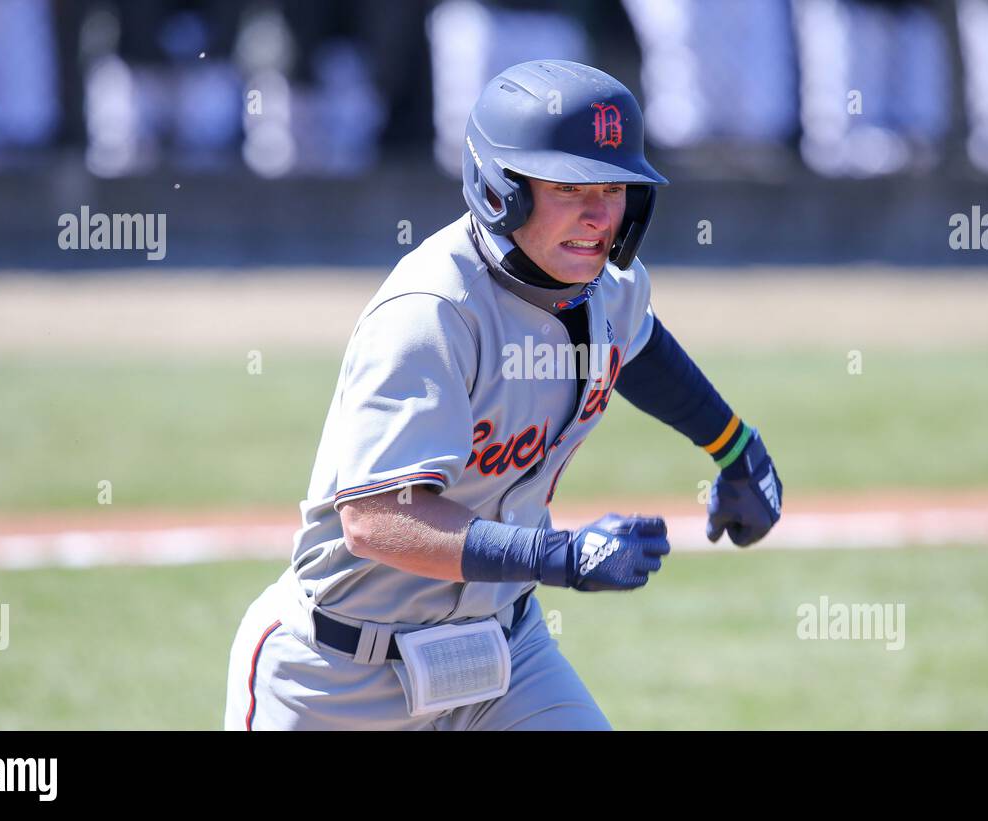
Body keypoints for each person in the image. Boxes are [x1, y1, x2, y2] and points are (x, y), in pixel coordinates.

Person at [224, 59, 783, 731]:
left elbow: (637, 344)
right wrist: (561, 556)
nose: (599, 214)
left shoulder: (607, 285)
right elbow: (375, 519)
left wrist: (735, 446)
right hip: (340, 675)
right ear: (501, 190)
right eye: (570, 185)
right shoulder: (432, 309)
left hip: (503, 656)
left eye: (615, 187)